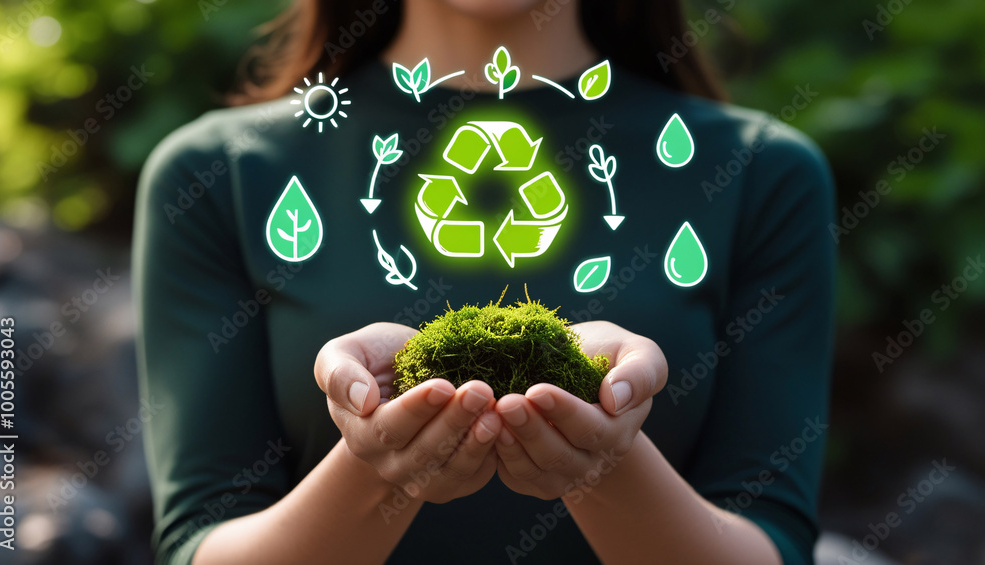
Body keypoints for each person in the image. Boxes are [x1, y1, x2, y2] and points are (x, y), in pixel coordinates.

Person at [133, 1, 836, 563]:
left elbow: (771, 542)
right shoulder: (220, 174)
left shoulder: (760, 174)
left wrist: (608, 462)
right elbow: (200, 543)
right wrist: (374, 466)